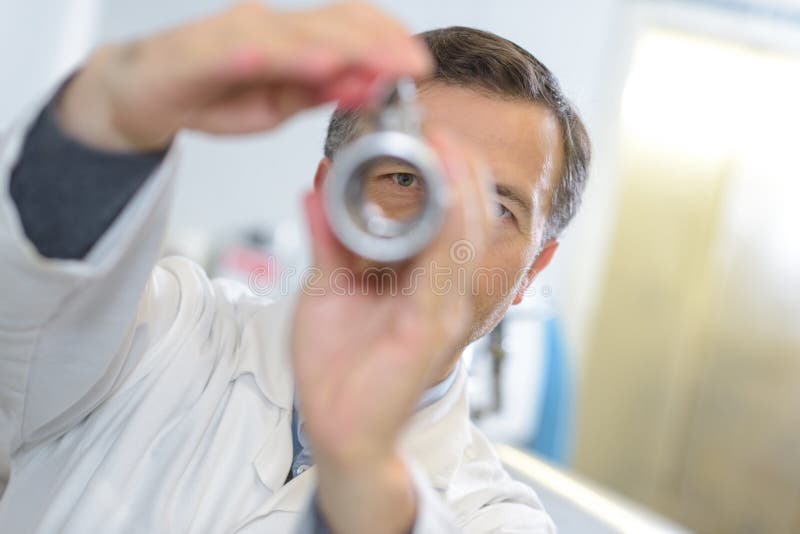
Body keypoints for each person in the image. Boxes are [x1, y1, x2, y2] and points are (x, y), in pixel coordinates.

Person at [0, 2, 590, 533]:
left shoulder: (499, 521)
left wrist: (362, 470)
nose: (438, 228)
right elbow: (30, 307)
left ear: (533, 270)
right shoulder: (160, 332)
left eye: (495, 207)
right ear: (331, 194)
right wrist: (112, 114)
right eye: (405, 177)